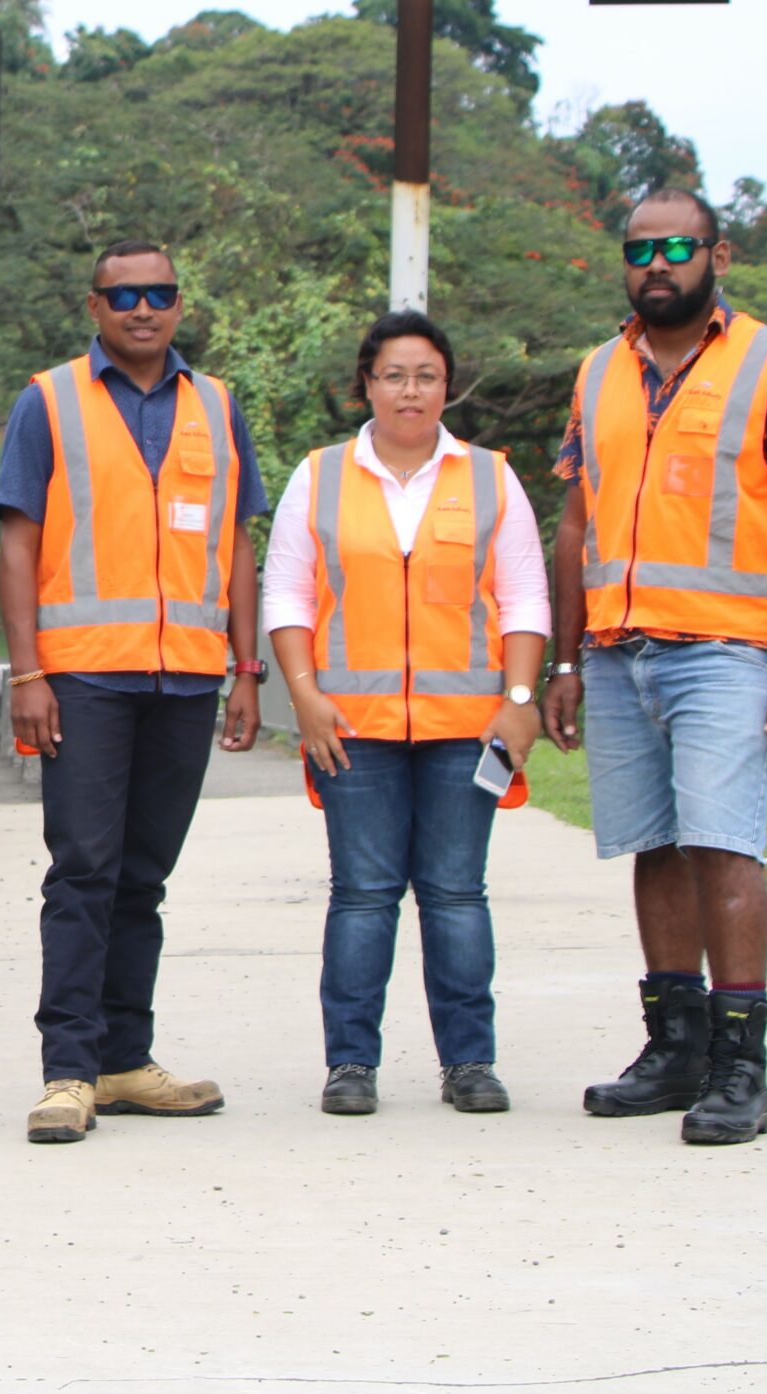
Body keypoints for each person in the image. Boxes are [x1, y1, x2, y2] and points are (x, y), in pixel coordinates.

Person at [543, 187, 767, 1146]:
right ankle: (673, 1049)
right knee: (656, 847)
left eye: (678, 246)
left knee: (723, 843)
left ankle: (740, 1066)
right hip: (618, 649)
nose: (657, 263)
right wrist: (565, 658)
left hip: (728, 653)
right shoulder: (599, 373)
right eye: (640, 249)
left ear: (719, 254)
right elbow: (576, 523)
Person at [0, 238, 266, 1145]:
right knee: (83, 873)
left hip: (185, 679)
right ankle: (68, 1072)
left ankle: (123, 1060)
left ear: (179, 305)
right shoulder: (50, 401)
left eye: (159, 294)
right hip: (84, 680)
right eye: (124, 297)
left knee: (143, 879)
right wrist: (28, 672)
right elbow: (21, 544)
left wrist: (245, 670)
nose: (142, 309)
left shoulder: (218, 407)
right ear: (95, 308)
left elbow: (234, 548)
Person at [264, 311, 548, 1116]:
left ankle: (469, 1064)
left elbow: (525, 595)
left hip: (470, 729)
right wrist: (305, 695)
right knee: (362, 895)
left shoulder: (491, 477)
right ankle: (350, 1065)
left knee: (457, 896)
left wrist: (520, 701)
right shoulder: (318, 477)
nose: (410, 390)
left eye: (425, 375)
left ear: (446, 385)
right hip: (352, 731)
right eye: (393, 375)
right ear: (367, 384)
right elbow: (286, 590)